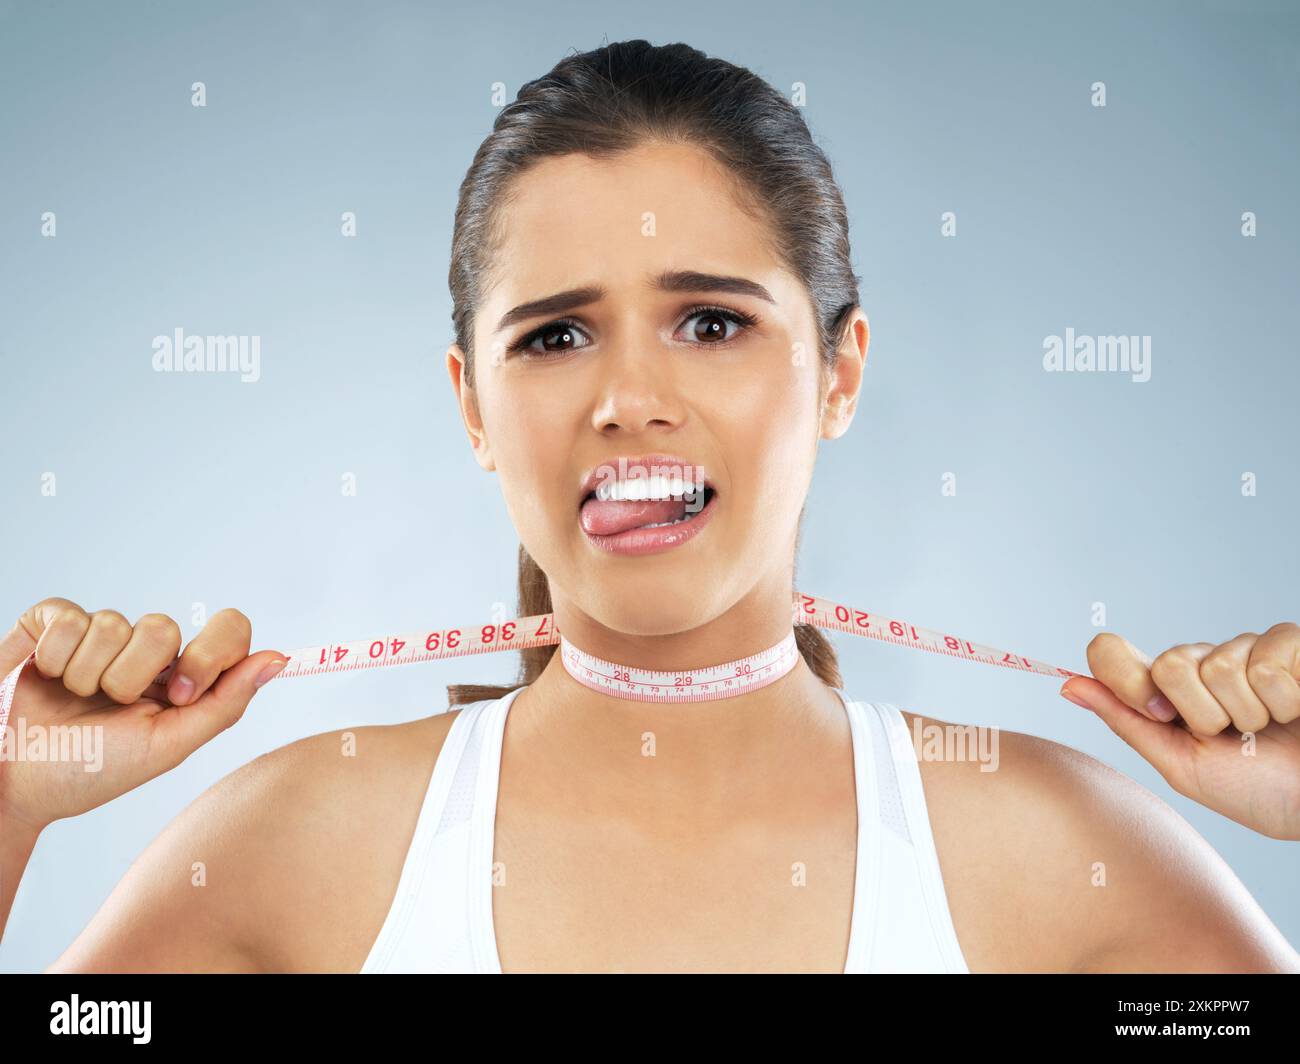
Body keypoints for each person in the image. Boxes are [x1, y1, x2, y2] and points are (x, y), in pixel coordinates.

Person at [2, 39, 1297, 974]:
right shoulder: (301, 847)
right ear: (472, 405)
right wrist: (9, 799)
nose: (629, 395)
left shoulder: (1060, 856)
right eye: (557, 337)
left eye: (711, 321)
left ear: (840, 369)